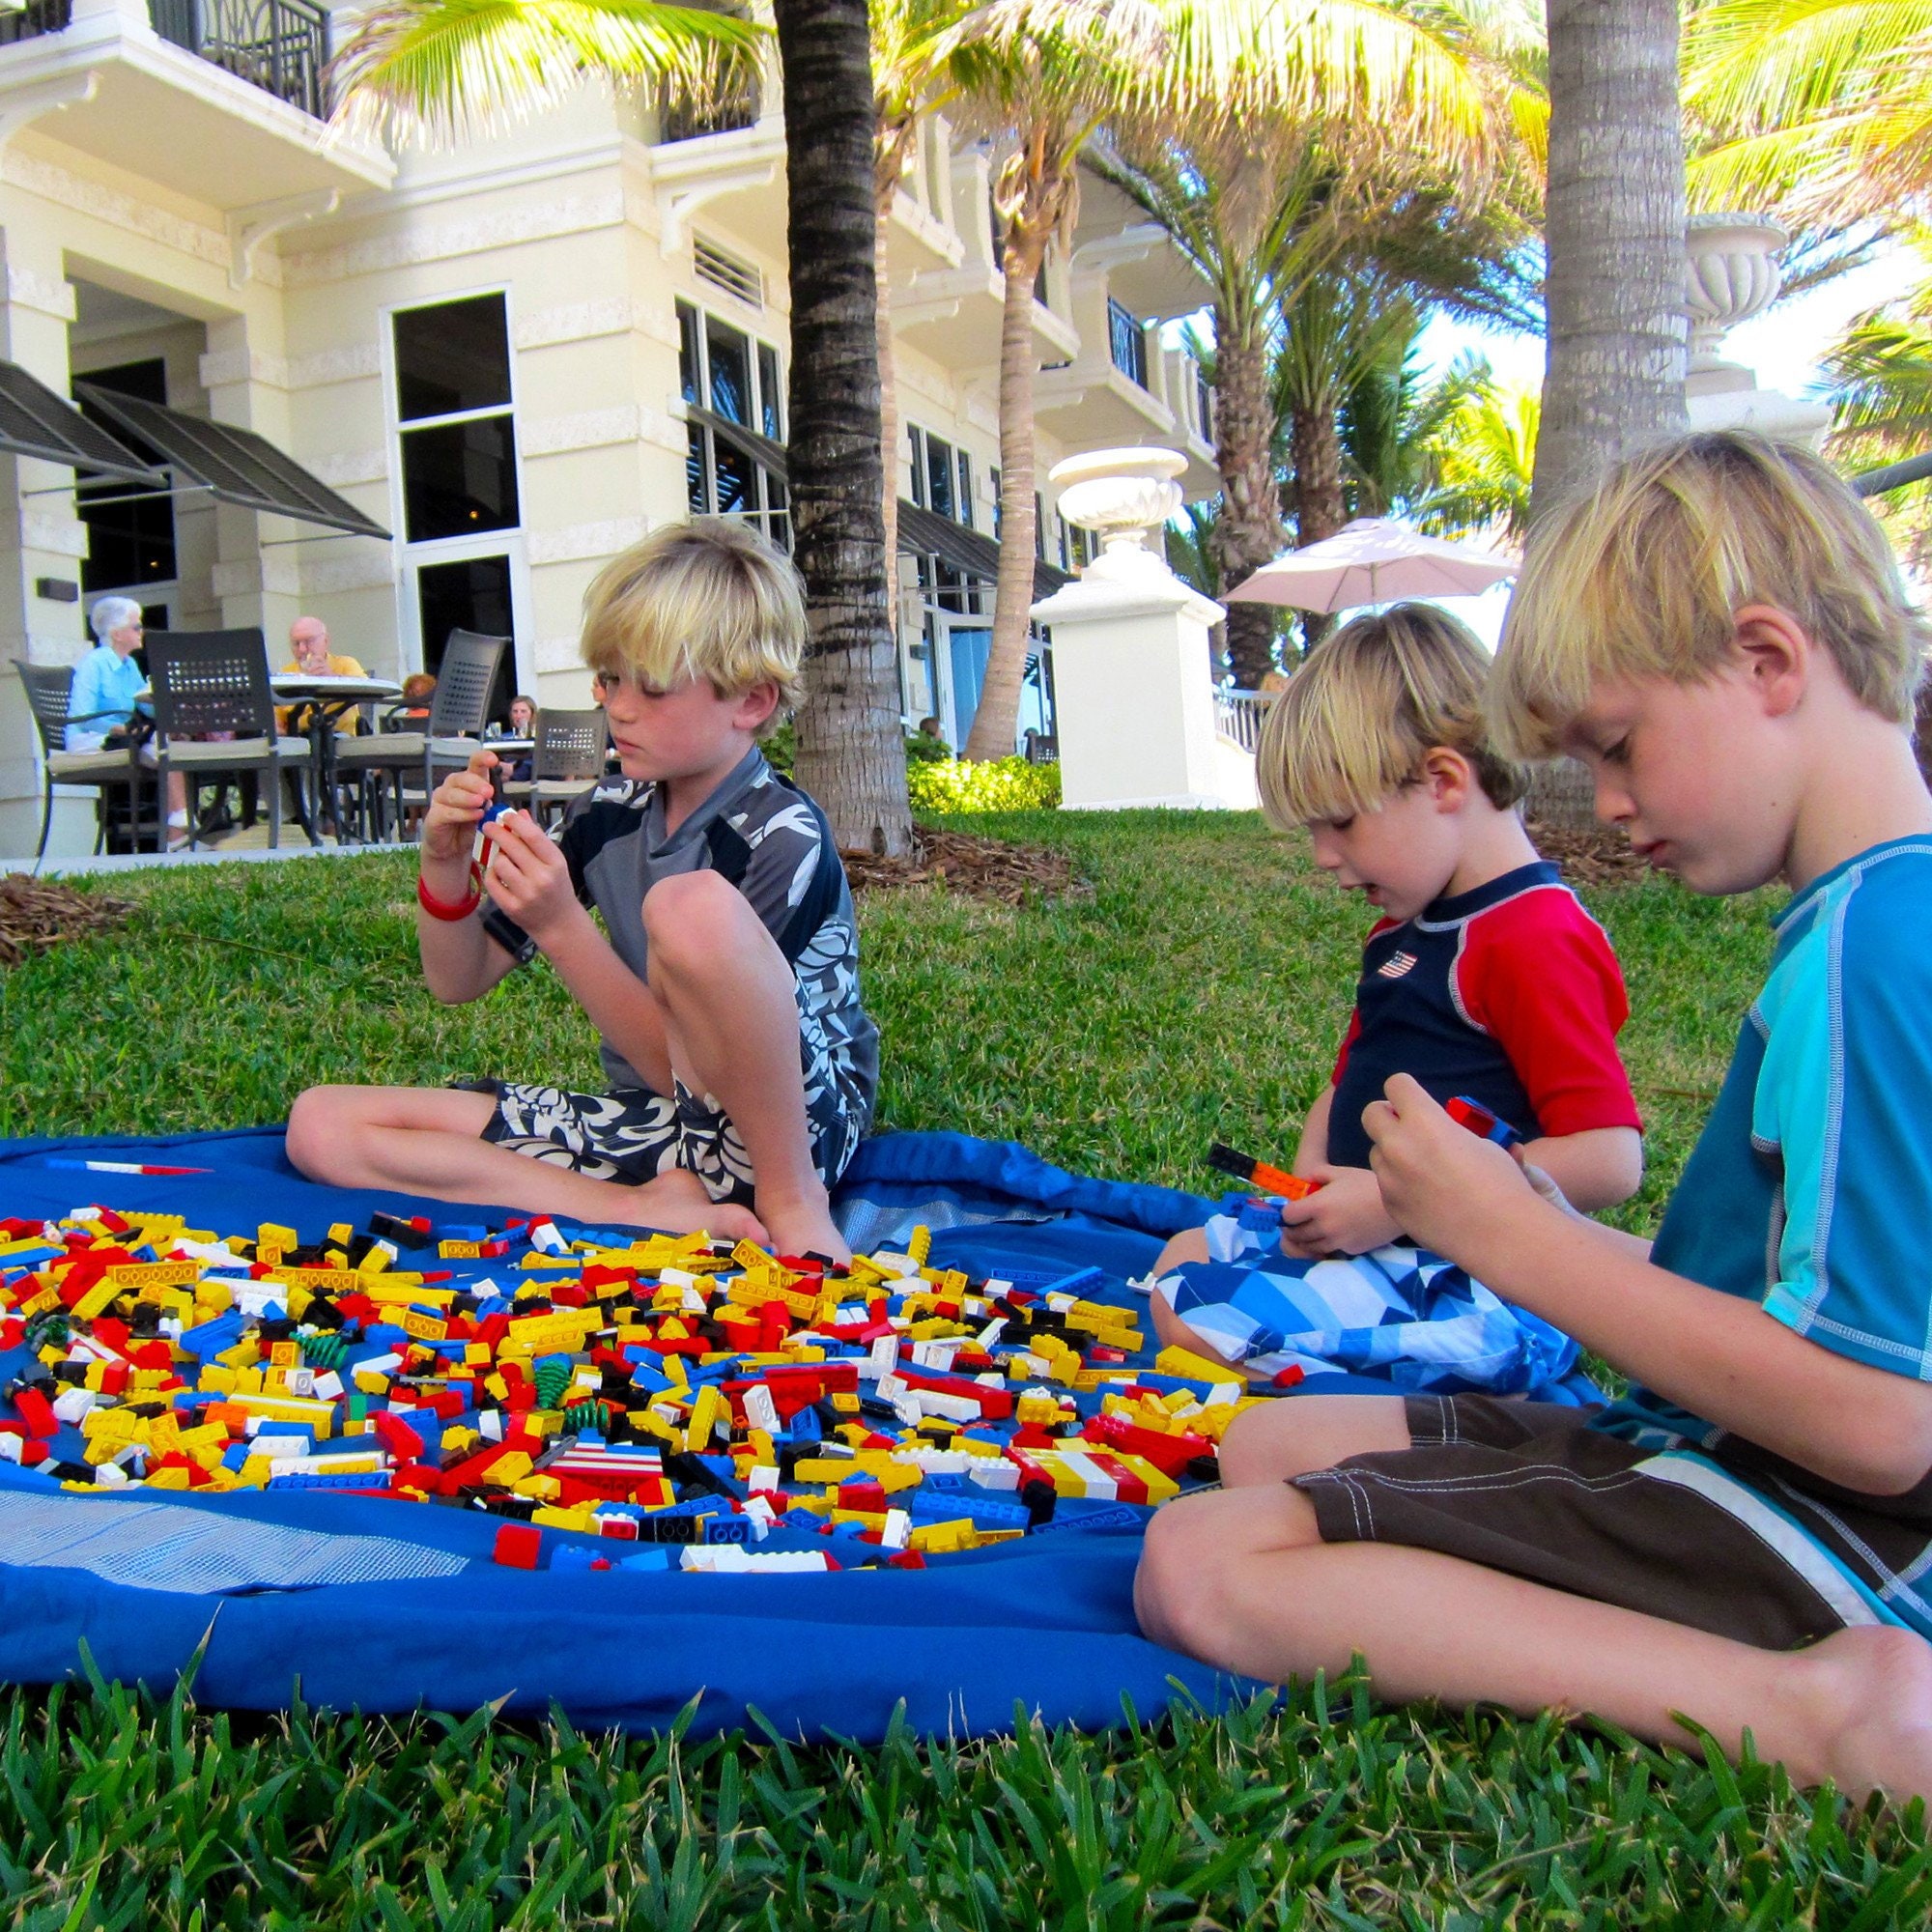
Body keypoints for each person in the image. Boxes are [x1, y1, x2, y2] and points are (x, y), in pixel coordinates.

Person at [1134, 431, 1932, 1802]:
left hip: (1822, 1520)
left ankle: (1809, 1711)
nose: (1607, 802)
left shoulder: (1873, 950)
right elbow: (1783, 1299)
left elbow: (1880, 1421)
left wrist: (1514, 1240)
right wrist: (1522, 1220)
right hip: (1735, 1451)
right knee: (1266, 1438)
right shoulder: (1866, 922)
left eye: (1617, 747)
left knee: (1200, 1565)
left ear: (1767, 663)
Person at [285, 518, 877, 1262]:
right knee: (320, 1125)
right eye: (610, 679)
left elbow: (704, 1077)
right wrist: (444, 861)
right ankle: (641, 1208)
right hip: (663, 1124)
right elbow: (458, 979)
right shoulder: (608, 814)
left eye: (651, 688)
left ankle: (794, 1206)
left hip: (789, 1133)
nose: (619, 709)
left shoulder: (780, 834)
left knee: (687, 908)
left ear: (751, 702)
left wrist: (563, 927)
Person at [1149, 603, 1643, 1371]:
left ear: (1443, 781)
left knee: (1194, 1314)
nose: (1322, 856)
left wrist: (1393, 1204)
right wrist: (1313, 1185)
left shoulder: (1532, 934)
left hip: (1471, 1276)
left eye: (1340, 823)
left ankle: (1433, 1391)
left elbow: (1608, 1159)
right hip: (1379, 1240)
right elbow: (1349, 1082)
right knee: (1182, 1254)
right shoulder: (1400, 933)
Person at [66, 595, 188, 845]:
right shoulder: (94, 663)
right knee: (162, 745)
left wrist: (176, 707)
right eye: (136, 626)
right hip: (90, 740)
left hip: (126, 738)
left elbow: (146, 705)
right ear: (117, 634)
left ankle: (178, 828)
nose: (142, 631)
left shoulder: (129, 664)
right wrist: (118, 728)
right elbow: (81, 716)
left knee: (171, 744)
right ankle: (180, 828)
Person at [276, 615, 367, 736]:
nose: (302, 649)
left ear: (325, 641)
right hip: (300, 740)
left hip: (343, 738)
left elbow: (365, 689)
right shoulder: (285, 675)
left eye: (309, 641)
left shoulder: (346, 663)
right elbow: (278, 723)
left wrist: (332, 678)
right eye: (296, 643)